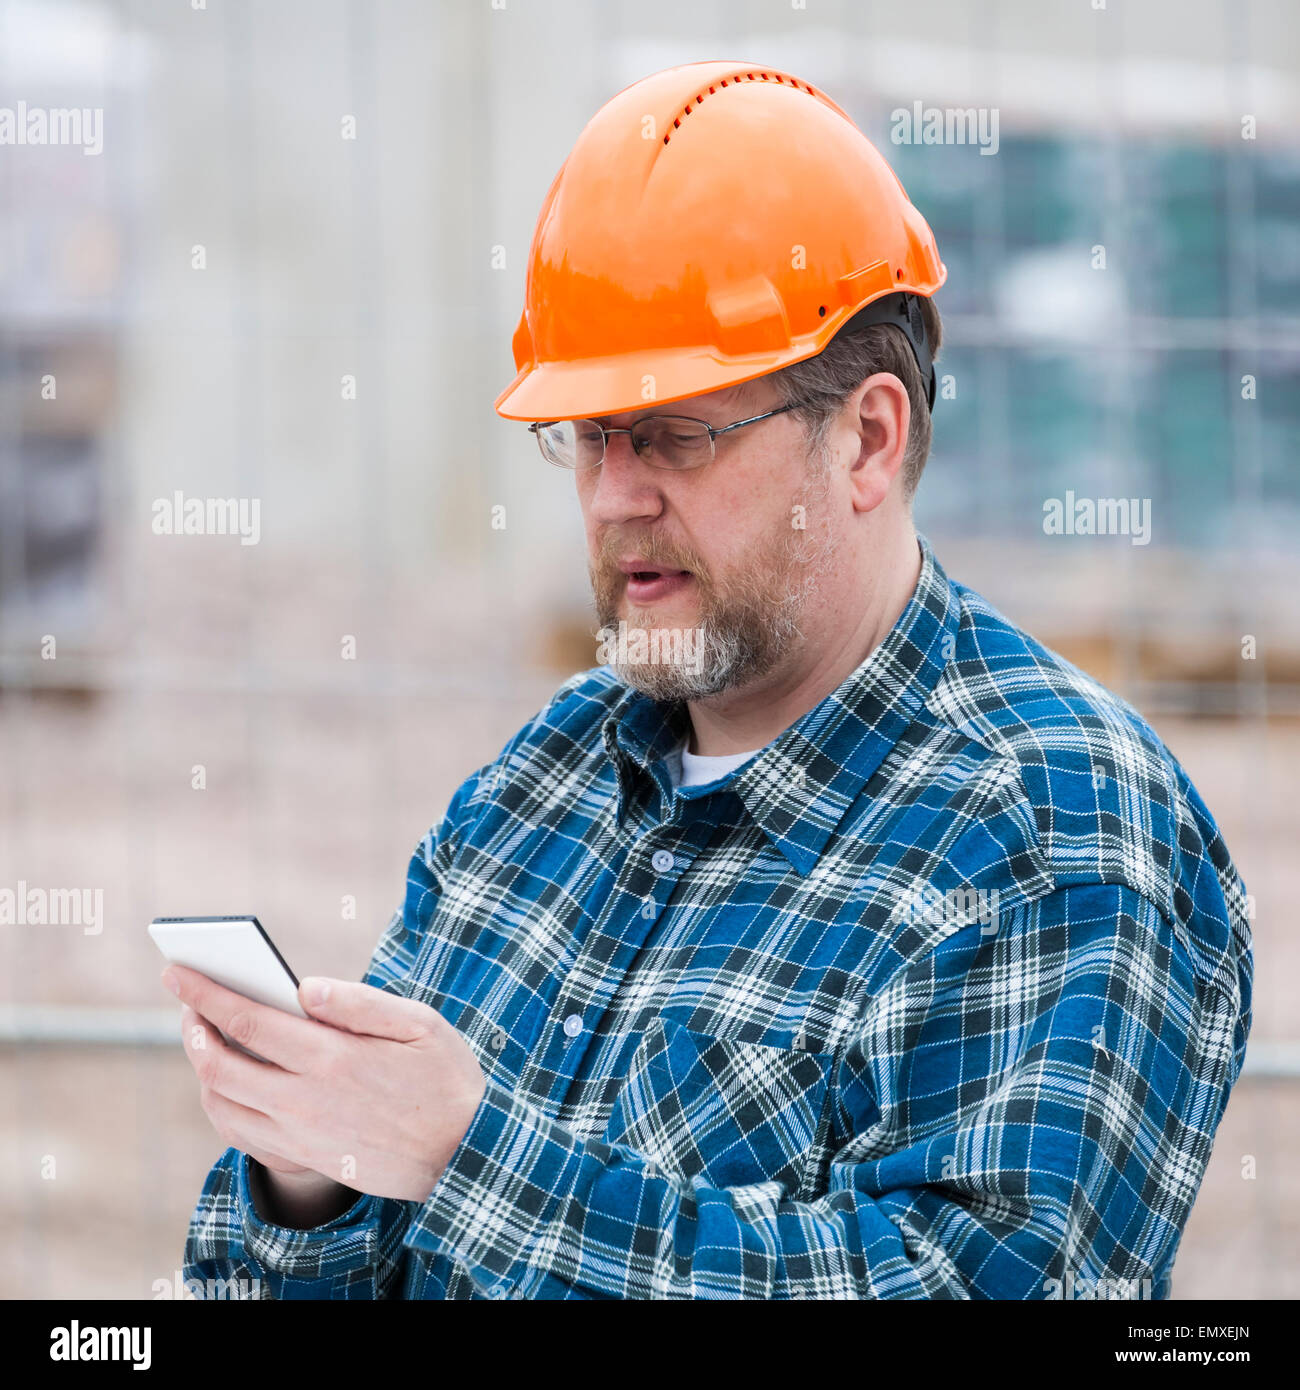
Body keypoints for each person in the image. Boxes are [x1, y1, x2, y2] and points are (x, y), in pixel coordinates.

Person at [171, 61, 1252, 1299]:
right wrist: (316, 1175)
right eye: (587, 437)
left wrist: (470, 1158)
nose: (616, 495)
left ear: (866, 436)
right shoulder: (537, 790)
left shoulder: (1053, 825)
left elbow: (974, 1286)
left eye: (676, 433)